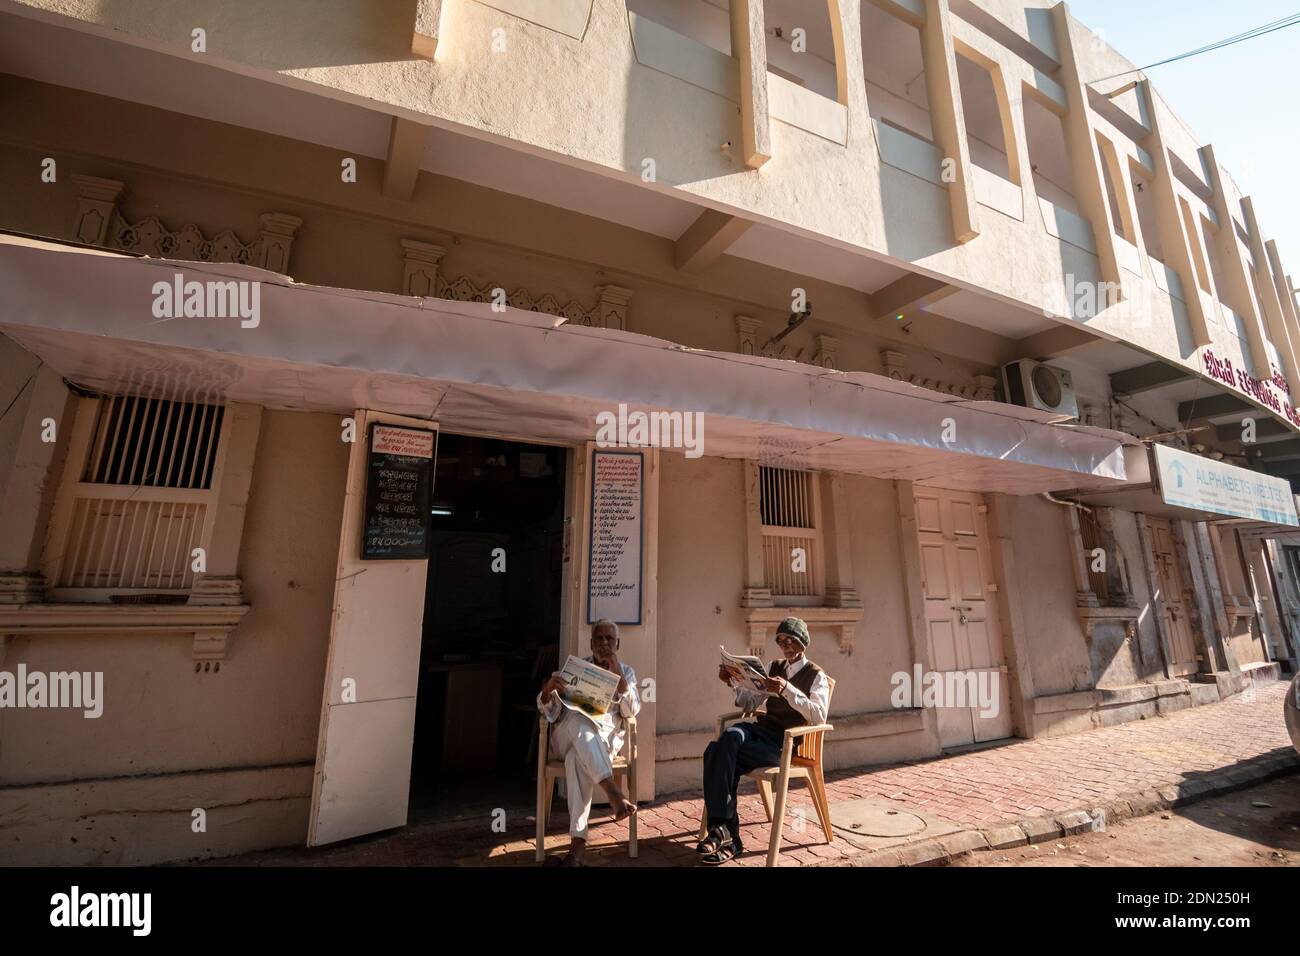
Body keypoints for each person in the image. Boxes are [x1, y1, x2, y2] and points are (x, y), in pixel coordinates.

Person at [698, 616, 830, 865]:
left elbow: (819, 715)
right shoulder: (773, 666)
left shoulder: (816, 675)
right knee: (729, 737)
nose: (785, 645)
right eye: (781, 640)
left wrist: (787, 690)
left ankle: (724, 831)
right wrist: (733, 682)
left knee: (715, 752)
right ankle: (726, 833)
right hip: (761, 733)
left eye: (791, 640)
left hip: (784, 743)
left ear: (803, 642)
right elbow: (751, 703)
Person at [537, 619, 639, 866]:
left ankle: (577, 848)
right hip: (564, 736)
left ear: (618, 644)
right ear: (591, 643)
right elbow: (547, 711)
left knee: (576, 758)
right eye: (599, 638)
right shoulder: (575, 669)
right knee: (577, 723)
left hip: (602, 742)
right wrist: (548, 691)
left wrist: (621, 682)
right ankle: (612, 791)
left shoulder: (626, 673)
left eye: (609, 639)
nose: (604, 643)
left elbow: (633, 710)